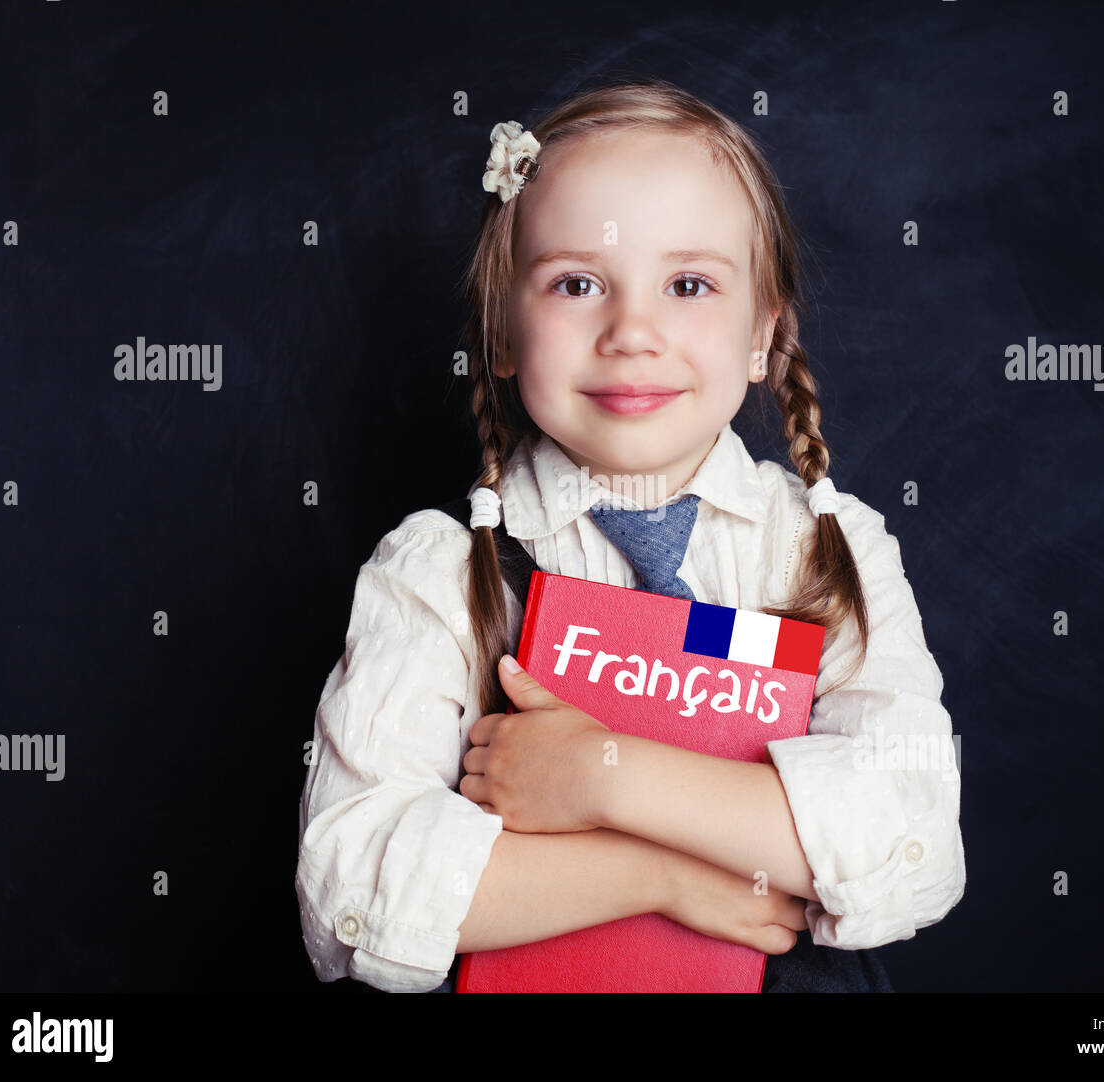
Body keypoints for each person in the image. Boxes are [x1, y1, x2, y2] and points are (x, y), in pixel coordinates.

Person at [295, 77, 965, 993]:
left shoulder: (829, 552)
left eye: (689, 284)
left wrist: (602, 778)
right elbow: (349, 891)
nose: (633, 331)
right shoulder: (443, 574)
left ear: (763, 330)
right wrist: (666, 876)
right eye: (577, 283)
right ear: (502, 329)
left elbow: (911, 839)